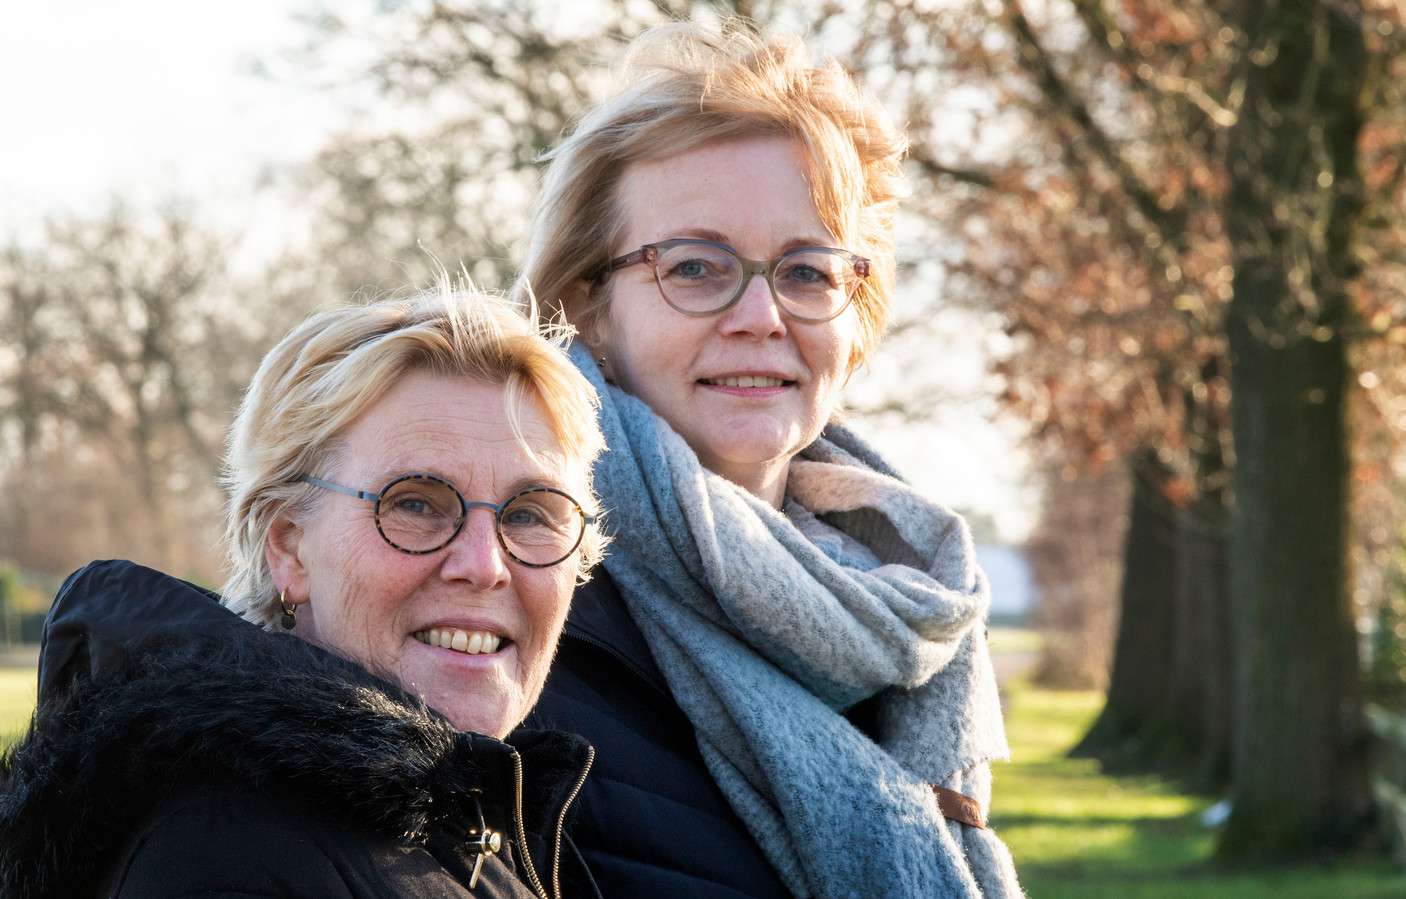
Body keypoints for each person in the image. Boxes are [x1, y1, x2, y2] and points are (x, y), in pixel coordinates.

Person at [516, 21, 1023, 899]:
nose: (761, 316)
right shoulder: (511, 589)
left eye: (807, 271)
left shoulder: (909, 602)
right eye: (697, 267)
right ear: (587, 307)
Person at [0, 284, 609, 899]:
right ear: (289, 545)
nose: (485, 565)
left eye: (531, 514)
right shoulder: (226, 855)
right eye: (417, 504)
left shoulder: (479, 821)